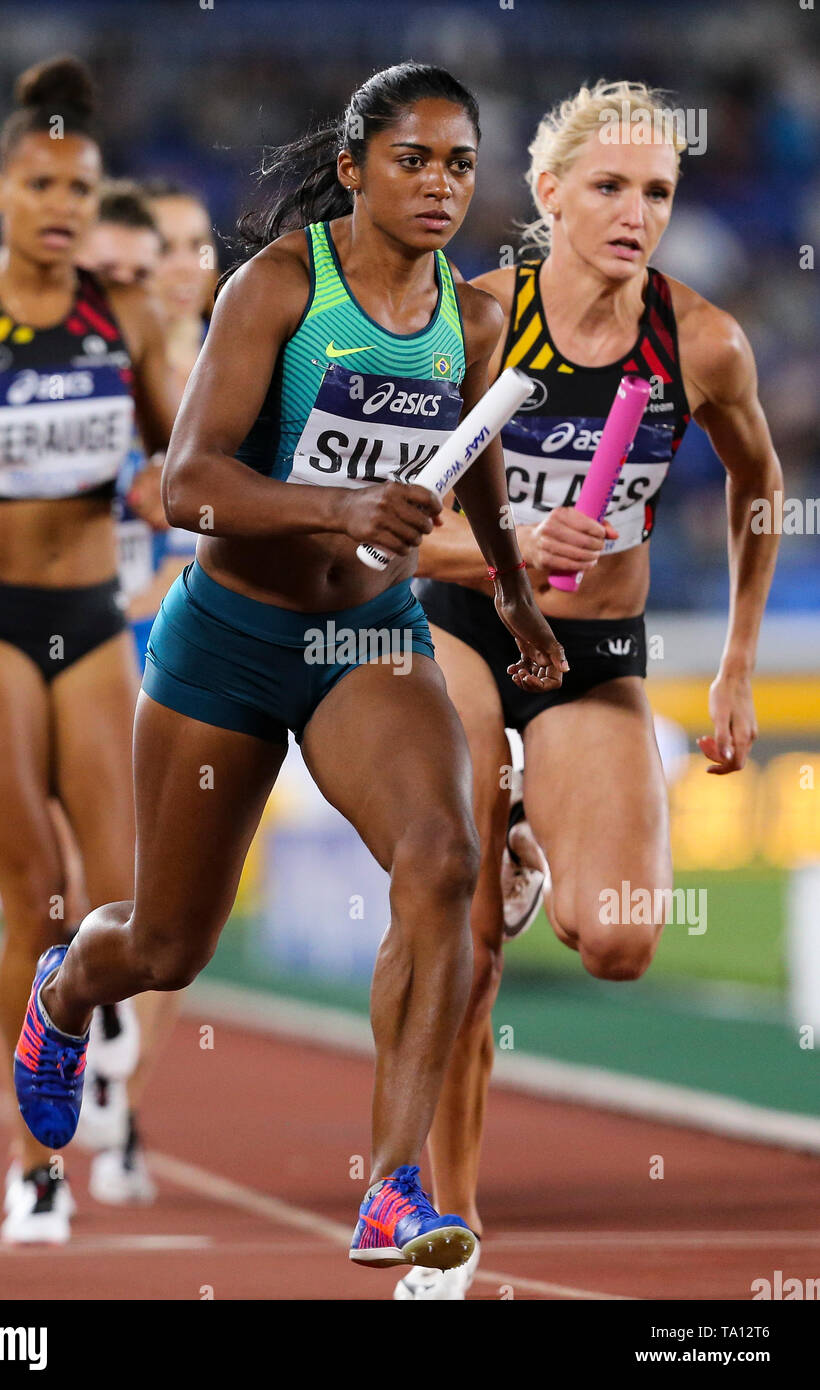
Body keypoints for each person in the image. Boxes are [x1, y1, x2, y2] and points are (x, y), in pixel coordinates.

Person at [13, 61, 567, 1274]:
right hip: (230, 640)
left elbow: (474, 469)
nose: (439, 184)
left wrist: (518, 600)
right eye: (414, 159)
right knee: (167, 949)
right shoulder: (278, 288)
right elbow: (189, 483)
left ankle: (391, 1187)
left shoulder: (472, 320)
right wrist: (341, 506)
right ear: (357, 164)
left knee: (444, 858)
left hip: (367, 639)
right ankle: (65, 992)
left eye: (461, 164)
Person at [396, 79, 783, 1298]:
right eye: (608, 186)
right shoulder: (466, 325)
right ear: (548, 192)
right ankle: (442, 1224)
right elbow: (390, 533)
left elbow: (760, 485)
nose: (634, 213)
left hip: (596, 658)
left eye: (657, 192)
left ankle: (524, 838)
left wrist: (733, 659)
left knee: (616, 938)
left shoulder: (703, 341)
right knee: (462, 938)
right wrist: (512, 547)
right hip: (462, 624)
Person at [0, 55, 176, 1243]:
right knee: (38, 894)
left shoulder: (136, 320)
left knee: (126, 906)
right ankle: (34, 1162)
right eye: (45, 182)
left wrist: (186, 499)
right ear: (2, 191)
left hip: (93, 621)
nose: (65, 204)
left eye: (85, 185)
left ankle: (77, 1029)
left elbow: (188, 468)